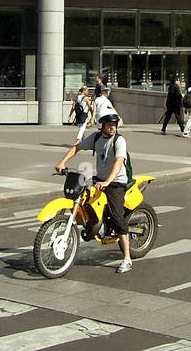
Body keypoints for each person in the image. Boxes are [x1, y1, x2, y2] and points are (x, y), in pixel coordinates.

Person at [54, 114, 133, 273]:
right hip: (100, 179)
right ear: (102, 126)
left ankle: (127, 259)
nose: (113, 127)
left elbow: (118, 162)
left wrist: (108, 182)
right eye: (109, 125)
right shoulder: (96, 137)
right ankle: (92, 224)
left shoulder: (119, 140)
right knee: (82, 194)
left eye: (114, 125)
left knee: (118, 218)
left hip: (116, 181)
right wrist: (62, 162)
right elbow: (77, 147)